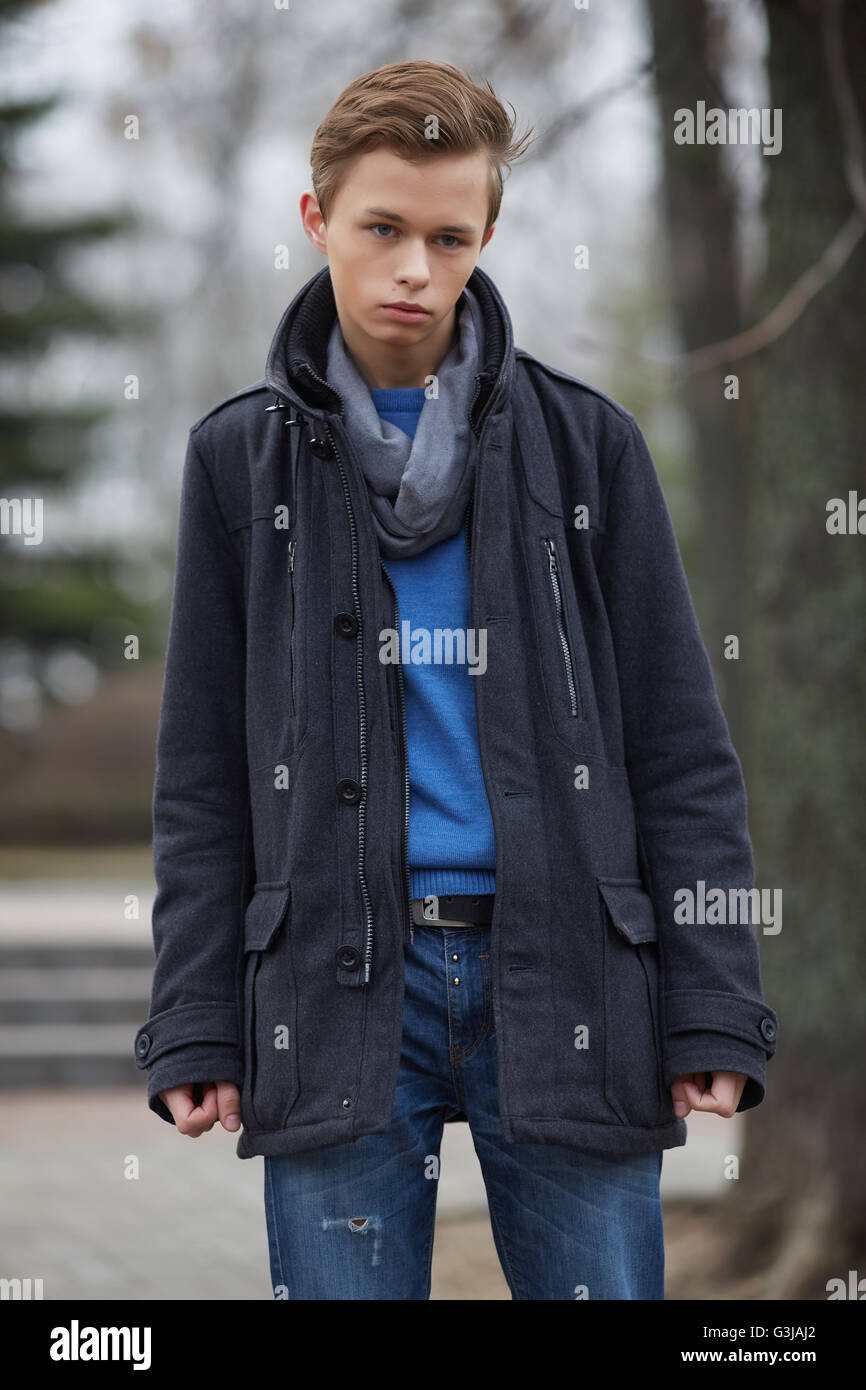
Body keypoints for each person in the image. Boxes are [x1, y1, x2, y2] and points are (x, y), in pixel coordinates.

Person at [134, 60, 779, 1300]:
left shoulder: (588, 444)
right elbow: (203, 772)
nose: (413, 271)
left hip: (573, 975)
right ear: (316, 217)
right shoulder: (234, 462)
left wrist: (711, 1007)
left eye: (448, 236)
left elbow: (680, 749)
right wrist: (196, 1019)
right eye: (381, 229)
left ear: (488, 233)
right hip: (330, 984)